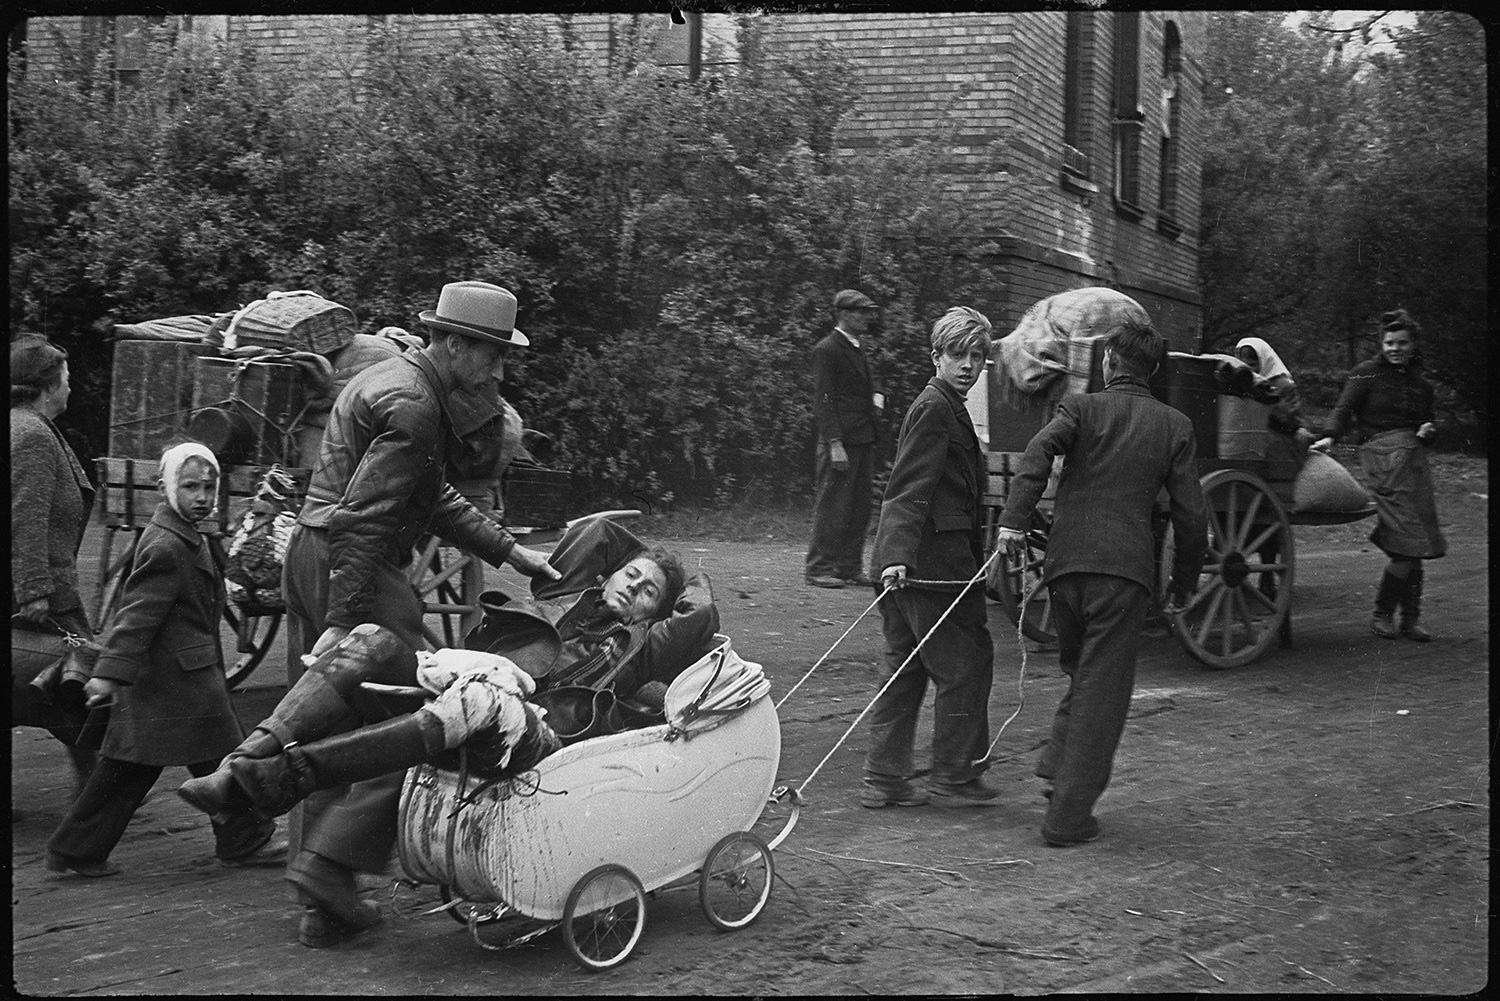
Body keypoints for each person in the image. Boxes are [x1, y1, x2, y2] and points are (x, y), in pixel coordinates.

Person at [178, 518, 719, 909]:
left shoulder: (641, 646)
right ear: (607, 575)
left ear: (657, 609)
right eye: (629, 574)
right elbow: (599, 530)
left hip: (539, 736)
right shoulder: (565, 593)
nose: (632, 587)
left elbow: (702, 612)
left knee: (479, 701)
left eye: (648, 591)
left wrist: (674, 579)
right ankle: (243, 763)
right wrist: (642, 554)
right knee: (371, 640)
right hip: (468, 693)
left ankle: (276, 781)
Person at [249, 281, 562, 947]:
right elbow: (362, 518)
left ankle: (320, 900)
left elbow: (436, 498)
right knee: (423, 716)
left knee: (333, 714)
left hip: (310, 550)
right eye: (491, 353)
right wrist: (346, 616)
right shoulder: (416, 403)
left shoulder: (398, 380)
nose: (498, 371)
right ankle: (329, 866)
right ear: (451, 342)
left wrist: (512, 554)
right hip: (354, 565)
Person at [997, 318, 1207, 847]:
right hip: (1123, 576)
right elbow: (1190, 519)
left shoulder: (1082, 408)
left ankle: (1055, 773)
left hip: (1063, 572)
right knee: (1104, 693)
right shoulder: (1175, 425)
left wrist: (1014, 521)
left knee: (1083, 674)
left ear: (1109, 364)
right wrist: (1182, 586)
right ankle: (1068, 818)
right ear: (1153, 370)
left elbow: (1039, 451)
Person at [43, 443, 279, 877]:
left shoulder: (186, 535)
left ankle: (77, 849)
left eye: (209, 487)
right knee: (167, 763)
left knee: (155, 765)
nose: (202, 496)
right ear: (166, 487)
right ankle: (241, 838)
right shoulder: (167, 545)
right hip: (173, 680)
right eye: (190, 486)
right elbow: (136, 616)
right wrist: (110, 675)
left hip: (181, 677)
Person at [862, 307, 998, 809]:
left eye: (977, 356)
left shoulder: (943, 403)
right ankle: (955, 775)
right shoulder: (937, 407)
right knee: (966, 664)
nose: (968, 365)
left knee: (905, 669)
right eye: (957, 354)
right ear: (936, 356)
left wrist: (893, 560)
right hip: (929, 569)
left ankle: (884, 778)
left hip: (909, 567)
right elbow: (907, 487)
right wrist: (899, 558)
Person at [1311, 309, 1445, 641]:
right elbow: (1343, 409)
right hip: (1381, 460)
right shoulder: (1365, 374)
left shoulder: (1422, 385)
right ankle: (1382, 613)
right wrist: (1330, 435)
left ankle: (1410, 619)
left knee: (1418, 539)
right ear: (1382, 343)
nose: (1395, 348)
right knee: (1406, 541)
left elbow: (1427, 425)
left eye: (1402, 343)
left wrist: (1428, 430)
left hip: (1413, 462)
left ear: (1413, 345)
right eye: (1389, 342)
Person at [10, 335, 99, 800]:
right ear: (47, 386)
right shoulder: (31, 437)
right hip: (44, 594)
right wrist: (34, 592)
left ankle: (96, 797)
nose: (71, 388)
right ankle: (94, 807)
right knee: (78, 690)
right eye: (66, 379)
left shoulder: (23, 427)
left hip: (37, 586)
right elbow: (27, 518)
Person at [806, 288, 885, 588]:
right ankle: (818, 568)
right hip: (841, 442)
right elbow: (823, 401)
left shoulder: (856, 347)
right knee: (833, 505)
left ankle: (848, 566)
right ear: (842, 314)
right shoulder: (827, 349)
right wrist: (834, 443)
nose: (868, 317)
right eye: (860, 311)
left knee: (859, 506)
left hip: (862, 437)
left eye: (868, 311)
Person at [1235, 336, 1315, 465]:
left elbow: (1292, 419)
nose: (1249, 369)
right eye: (1244, 365)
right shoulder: (1244, 381)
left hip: (1280, 436)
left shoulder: (1283, 385)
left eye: (1253, 365)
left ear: (1264, 361)